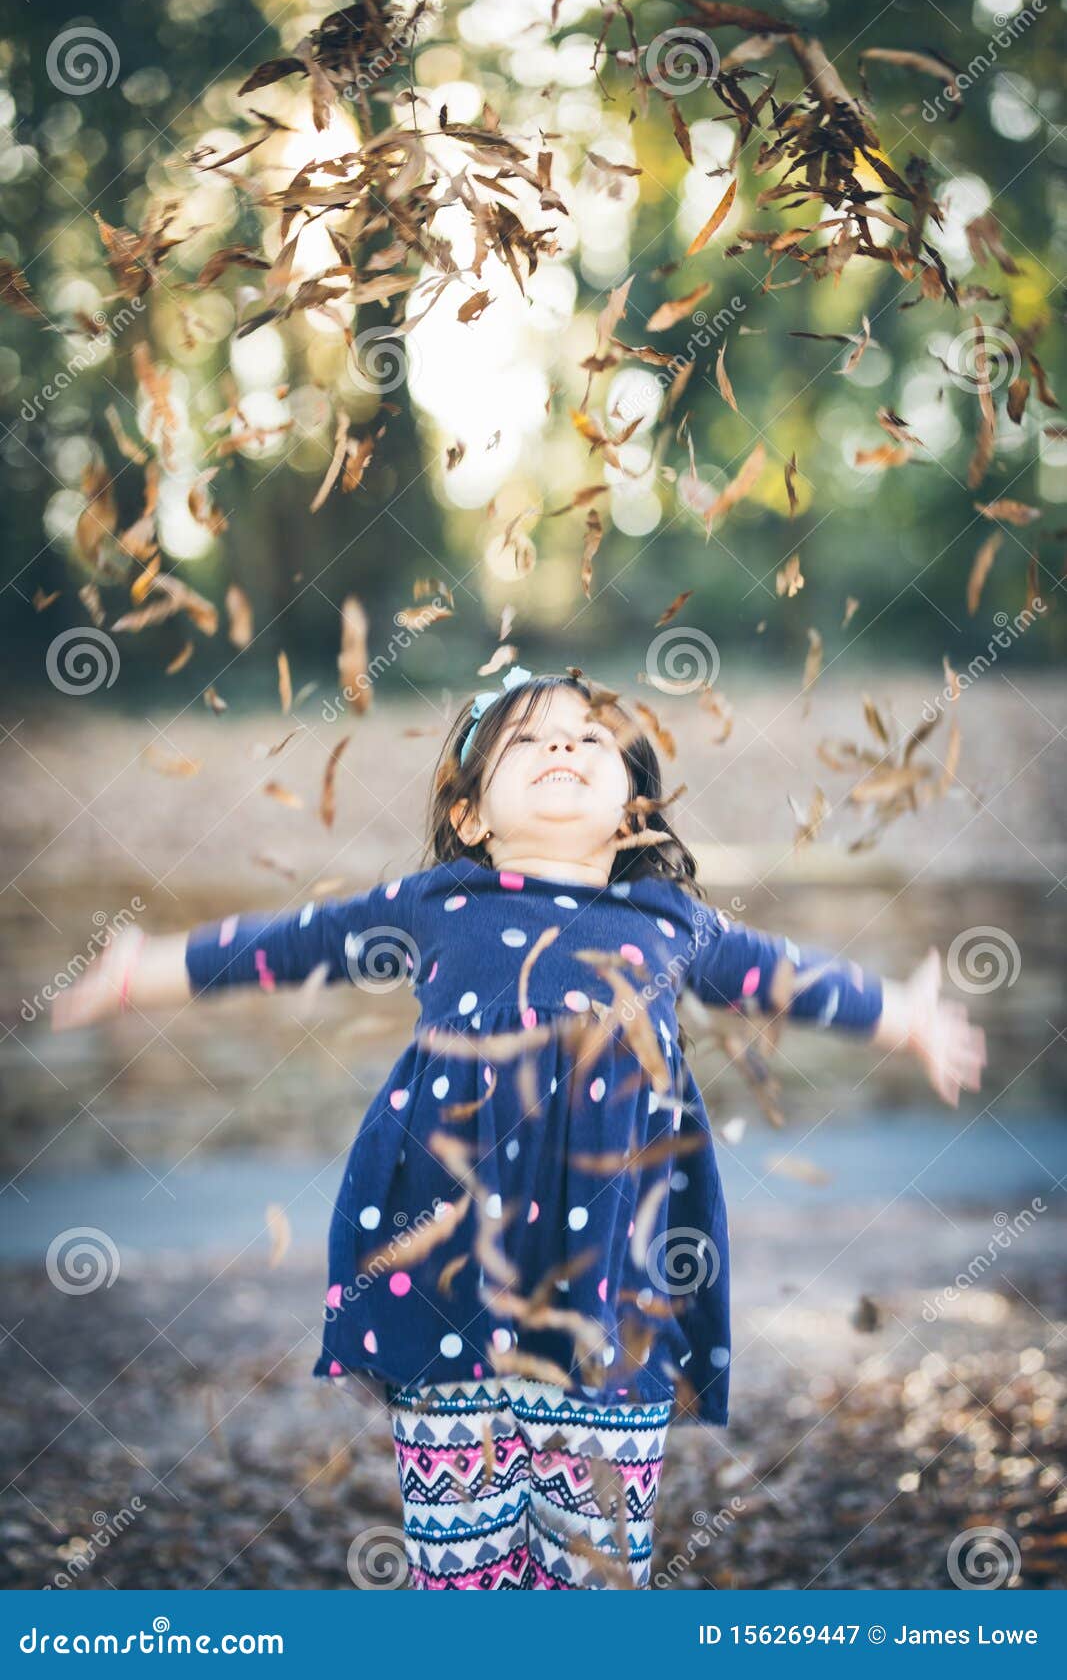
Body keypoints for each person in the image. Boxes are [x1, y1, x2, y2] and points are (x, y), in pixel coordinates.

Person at [53, 666, 985, 1589]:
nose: (562, 747)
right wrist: (144, 968)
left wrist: (902, 1017)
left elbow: (778, 972)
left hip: (615, 1297)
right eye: (529, 739)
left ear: (635, 814)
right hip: (448, 1284)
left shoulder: (668, 919)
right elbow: (292, 942)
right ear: (469, 816)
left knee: (594, 1572)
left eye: (586, 737)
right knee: (460, 1569)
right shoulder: (434, 905)